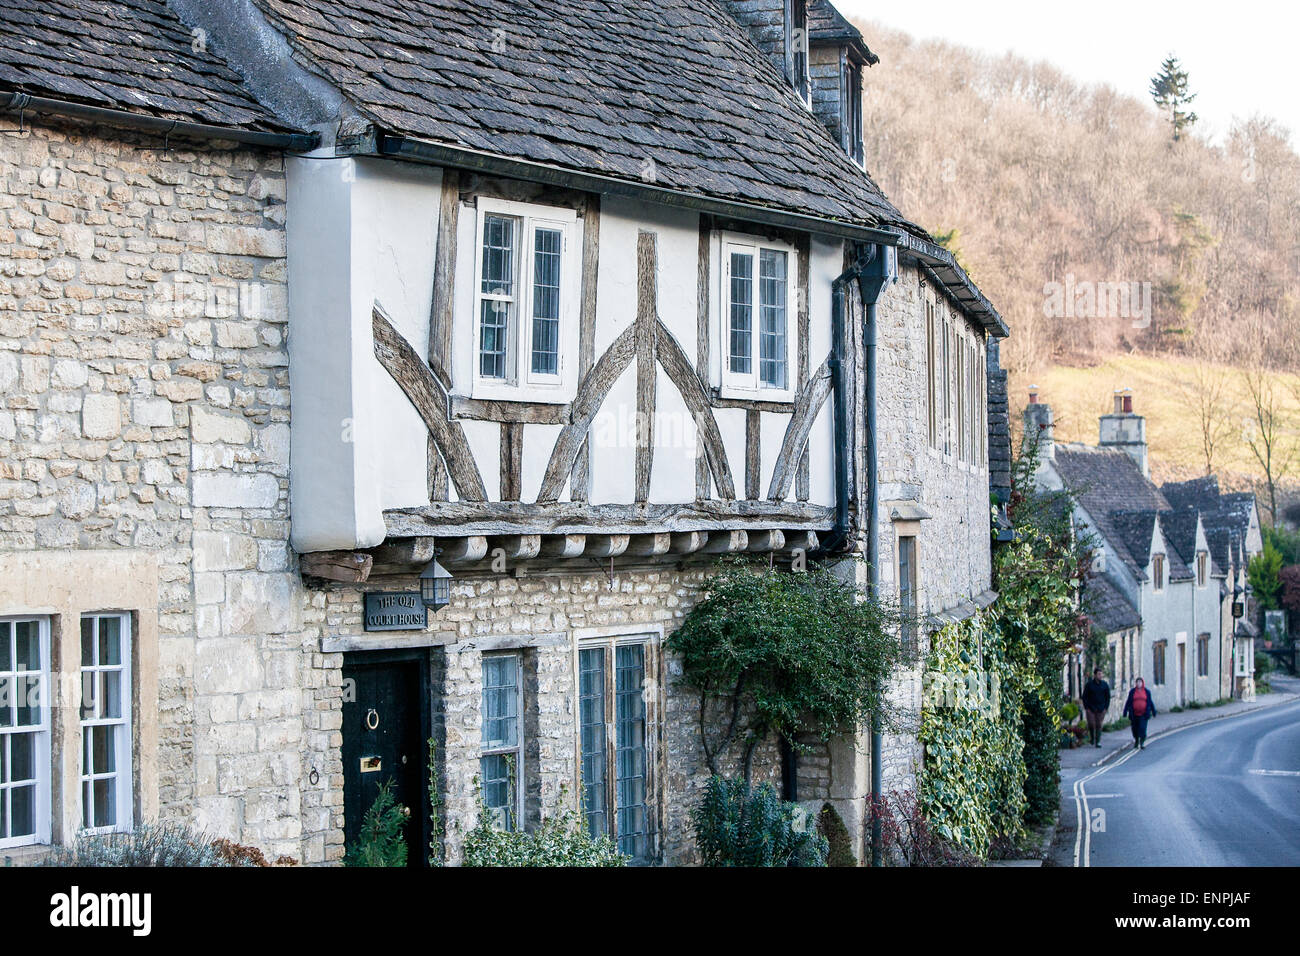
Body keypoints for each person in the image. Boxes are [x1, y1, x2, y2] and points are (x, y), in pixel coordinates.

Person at [1122, 677, 1156, 749]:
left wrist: (1153, 711)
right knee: (1135, 729)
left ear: (1142, 683)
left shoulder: (1147, 692)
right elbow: (1128, 702)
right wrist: (1125, 712)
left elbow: (1150, 702)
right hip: (1134, 714)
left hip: (1143, 714)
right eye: (1137, 682)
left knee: (1142, 728)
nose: (1139, 684)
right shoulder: (1132, 692)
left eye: (1140, 682)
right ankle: (1137, 740)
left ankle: (1142, 742)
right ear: (1136, 683)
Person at [1081, 667, 1111, 747]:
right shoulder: (1089, 685)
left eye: (1101, 674)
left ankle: (1097, 741)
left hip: (1101, 708)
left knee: (1099, 724)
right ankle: (1092, 739)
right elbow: (1084, 696)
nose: (1100, 676)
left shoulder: (1104, 685)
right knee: (1091, 724)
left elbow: (1108, 697)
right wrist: (1086, 707)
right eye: (1099, 674)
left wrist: (1105, 708)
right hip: (1091, 708)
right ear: (1095, 675)